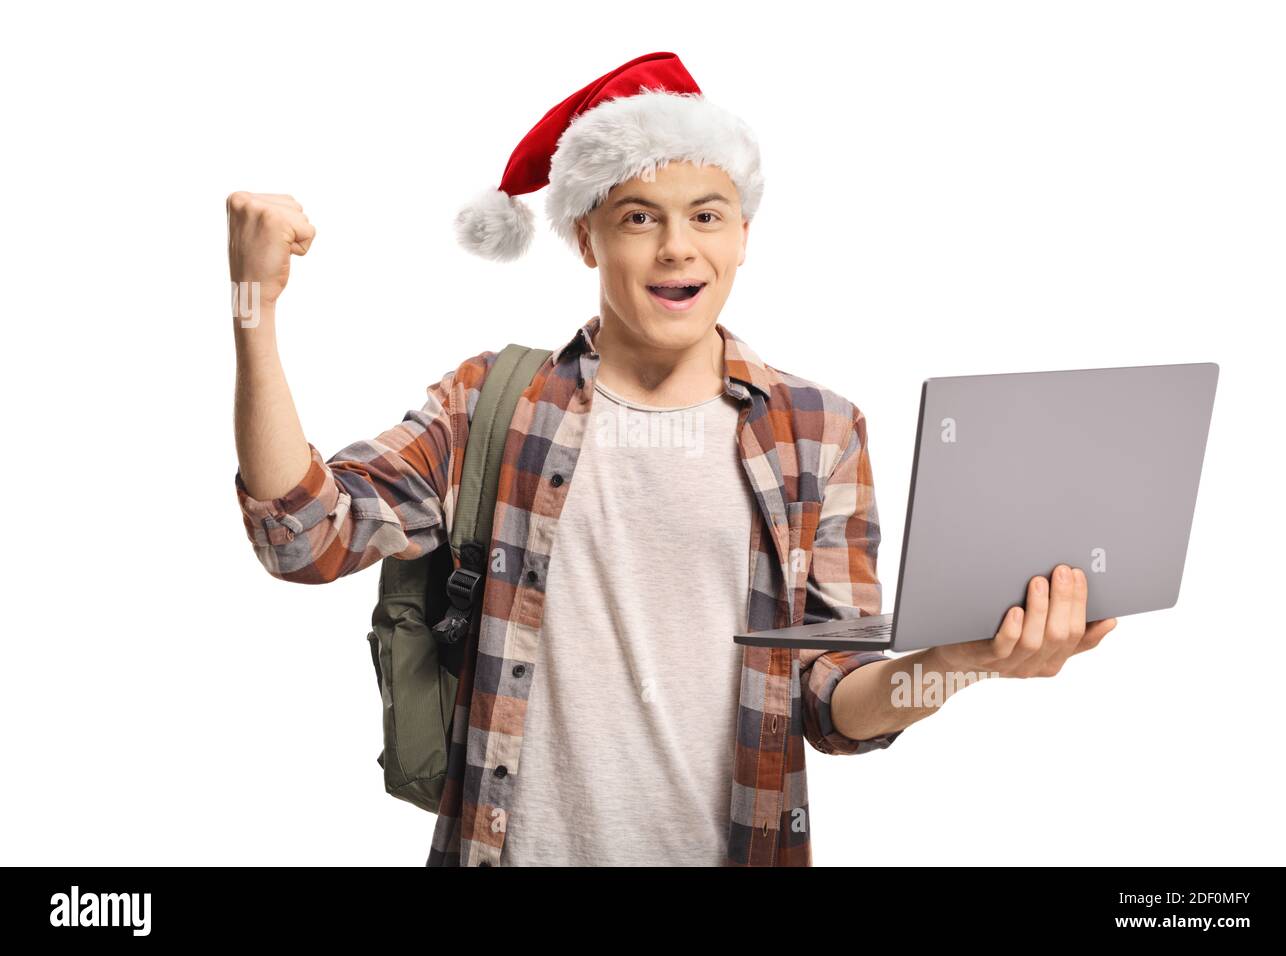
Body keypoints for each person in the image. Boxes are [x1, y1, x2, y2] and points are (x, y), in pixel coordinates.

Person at [229, 52, 1118, 867]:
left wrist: (967, 660)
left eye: (706, 215)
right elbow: (303, 539)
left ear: (741, 233)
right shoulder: (491, 404)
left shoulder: (819, 430)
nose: (676, 248)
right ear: (586, 238)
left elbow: (831, 703)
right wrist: (253, 308)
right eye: (638, 218)